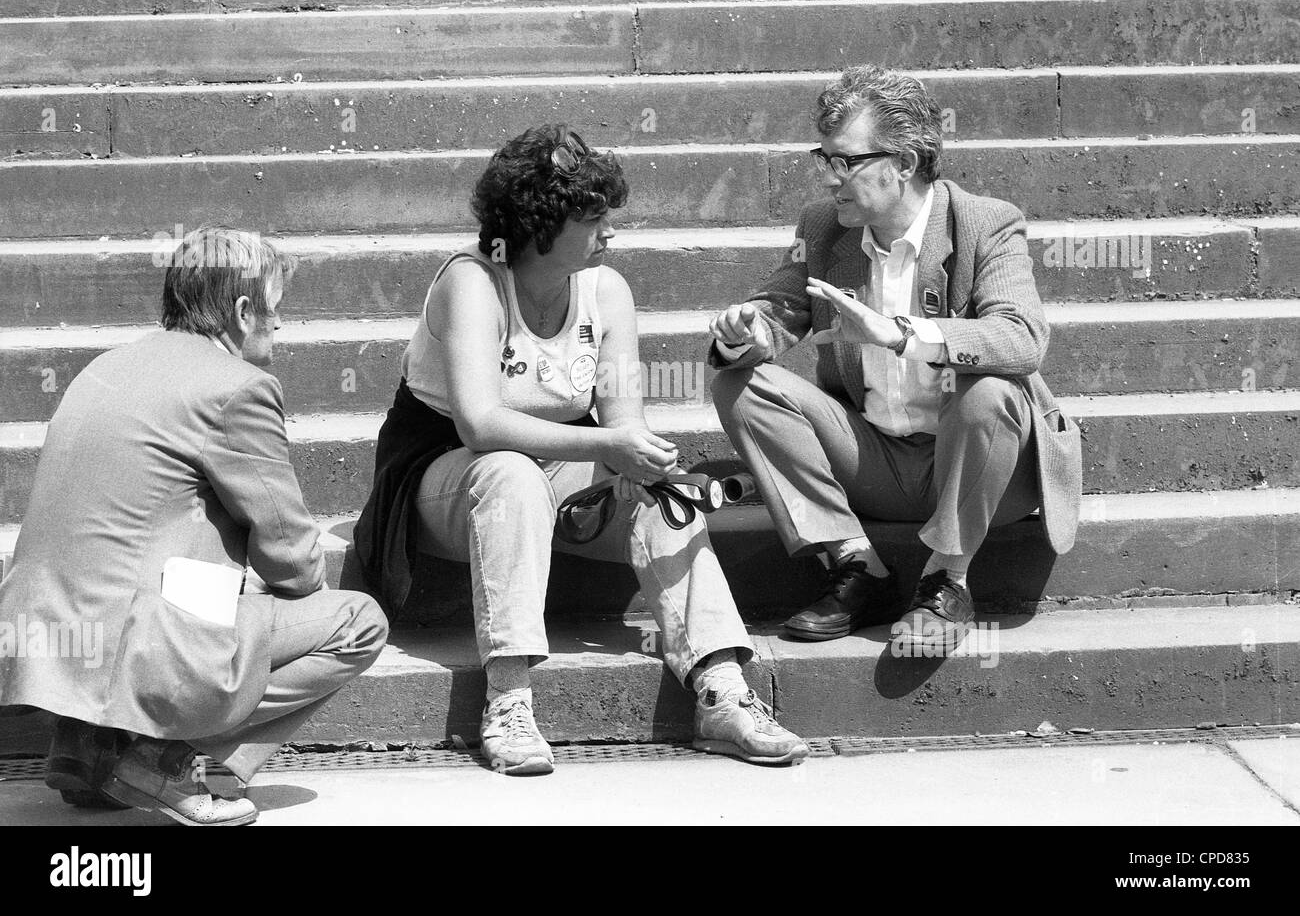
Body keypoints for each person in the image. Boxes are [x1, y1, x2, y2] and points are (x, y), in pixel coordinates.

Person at [353, 124, 809, 774]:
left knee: (661, 493)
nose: (610, 229)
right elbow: (480, 423)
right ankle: (508, 699)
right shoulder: (472, 282)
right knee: (510, 472)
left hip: (559, 473)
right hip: (444, 476)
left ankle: (722, 690)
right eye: (591, 215)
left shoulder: (607, 292)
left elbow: (622, 422)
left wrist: (644, 464)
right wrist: (606, 443)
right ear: (541, 223)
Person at [0, 227, 389, 825]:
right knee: (358, 622)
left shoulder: (104, 366)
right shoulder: (238, 389)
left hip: (39, 637)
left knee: (183, 574)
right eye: (276, 311)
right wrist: (296, 607)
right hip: (130, 639)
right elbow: (288, 549)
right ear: (241, 312)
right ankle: (163, 759)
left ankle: (86, 749)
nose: (280, 327)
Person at [708, 65, 1082, 655]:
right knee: (740, 382)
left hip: (984, 468)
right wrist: (746, 332)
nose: (831, 179)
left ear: (904, 163)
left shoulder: (988, 223)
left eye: (846, 162)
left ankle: (947, 580)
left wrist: (903, 335)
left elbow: (1021, 338)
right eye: (824, 158)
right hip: (875, 460)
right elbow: (778, 310)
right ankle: (858, 567)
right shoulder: (823, 228)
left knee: (991, 393)